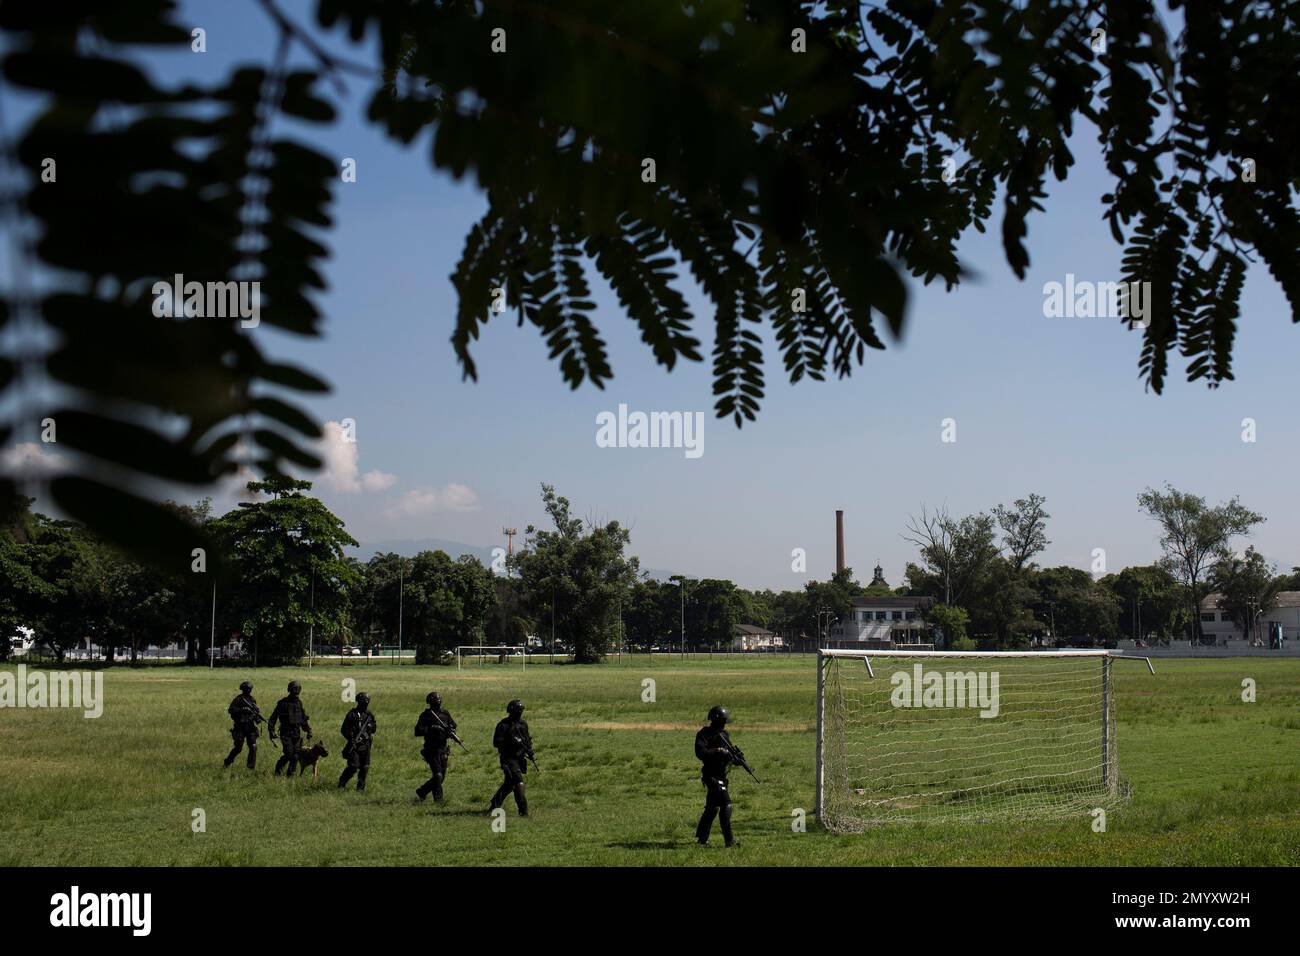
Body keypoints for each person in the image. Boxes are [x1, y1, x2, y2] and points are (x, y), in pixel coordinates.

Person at [695, 704, 739, 847]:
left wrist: (735, 758)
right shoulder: (704, 734)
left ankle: (702, 839)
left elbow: (729, 753)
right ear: (715, 719)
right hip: (711, 776)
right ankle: (729, 841)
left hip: (722, 776)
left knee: (712, 808)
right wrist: (718, 751)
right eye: (723, 720)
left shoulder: (724, 735)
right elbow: (700, 753)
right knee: (726, 805)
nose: (725, 723)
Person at [489, 699, 533, 817]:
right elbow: (496, 742)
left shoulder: (523, 724)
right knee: (518, 782)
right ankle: (523, 811)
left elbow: (527, 739)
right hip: (508, 759)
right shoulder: (503, 725)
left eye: (521, 710)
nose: (519, 713)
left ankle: (494, 804)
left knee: (509, 784)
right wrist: (511, 741)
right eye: (517, 710)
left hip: (520, 758)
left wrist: (529, 750)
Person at [414, 691, 457, 803]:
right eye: (435, 702)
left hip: (443, 749)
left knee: (441, 777)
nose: (438, 704)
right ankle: (431, 796)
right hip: (431, 749)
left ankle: (428, 795)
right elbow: (417, 731)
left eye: (438, 701)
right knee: (437, 775)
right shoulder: (425, 715)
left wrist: (450, 731)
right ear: (430, 703)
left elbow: (453, 725)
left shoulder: (445, 714)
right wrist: (431, 728)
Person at [268, 680, 313, 777]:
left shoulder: (299, 703)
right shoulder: (282, 703)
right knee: (289, 754)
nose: (296, 691)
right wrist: (271, 731)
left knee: (296, 755)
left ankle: (290, 775)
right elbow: (273, 718)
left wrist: (308, 730)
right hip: (285, 733)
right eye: (294, 689)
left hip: (296, 733)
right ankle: (278, 769)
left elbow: (303, 719)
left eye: (298, 689)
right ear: (290, 690)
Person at [338, 692, 377, 791]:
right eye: (363, 702)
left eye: (367, 702)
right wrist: (351, 738)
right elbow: (343, 730)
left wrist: (370, 727)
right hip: (354, 745)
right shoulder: (352, 714)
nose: (365, 704)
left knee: (365, 768)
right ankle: (342, 782)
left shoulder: (369, 715)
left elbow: (374, 728)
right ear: (359, 702)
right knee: (353, 766)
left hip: (366, 745)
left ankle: (360, 789)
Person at [223, 680, 262, 769]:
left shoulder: (252, 700)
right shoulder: (238, 699)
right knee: (238, 748)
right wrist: (242, 709)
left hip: (250, 727)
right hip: (240, 727)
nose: (249, 690)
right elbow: (231, 710)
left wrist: (257, 716)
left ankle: (250, 767)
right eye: (247, 689)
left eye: (250, 689)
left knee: (253, 747)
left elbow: (255, 713)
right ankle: (227, 762)